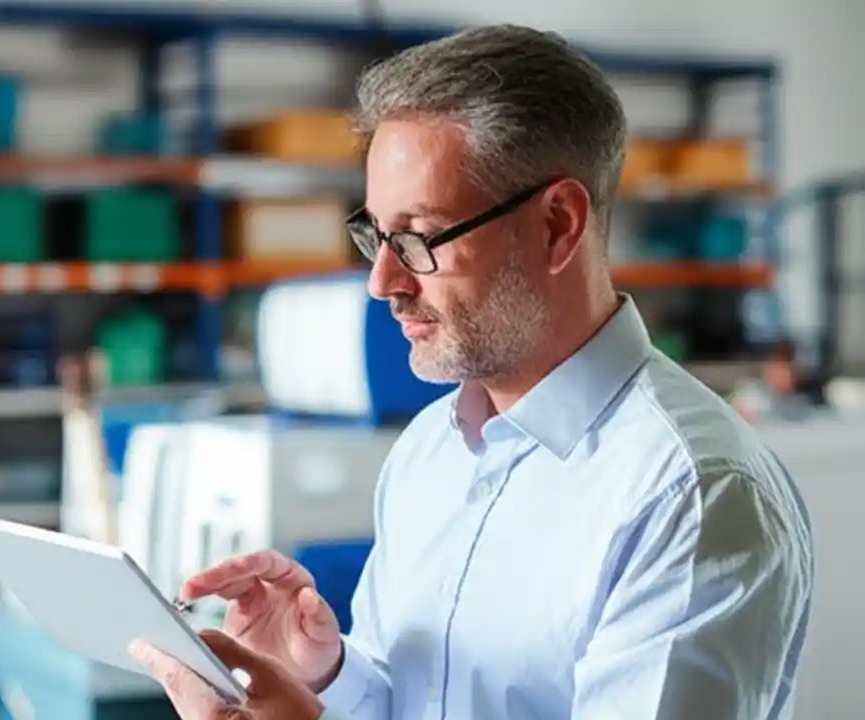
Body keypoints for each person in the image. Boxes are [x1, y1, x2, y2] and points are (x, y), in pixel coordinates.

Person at [131, 23, 814, 720]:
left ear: (557, 225)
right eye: (376, 235)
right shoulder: (432, 450)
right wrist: (327, 676)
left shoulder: (690, 496)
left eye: (419, 236)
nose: (383, 282)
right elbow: (415, 700)